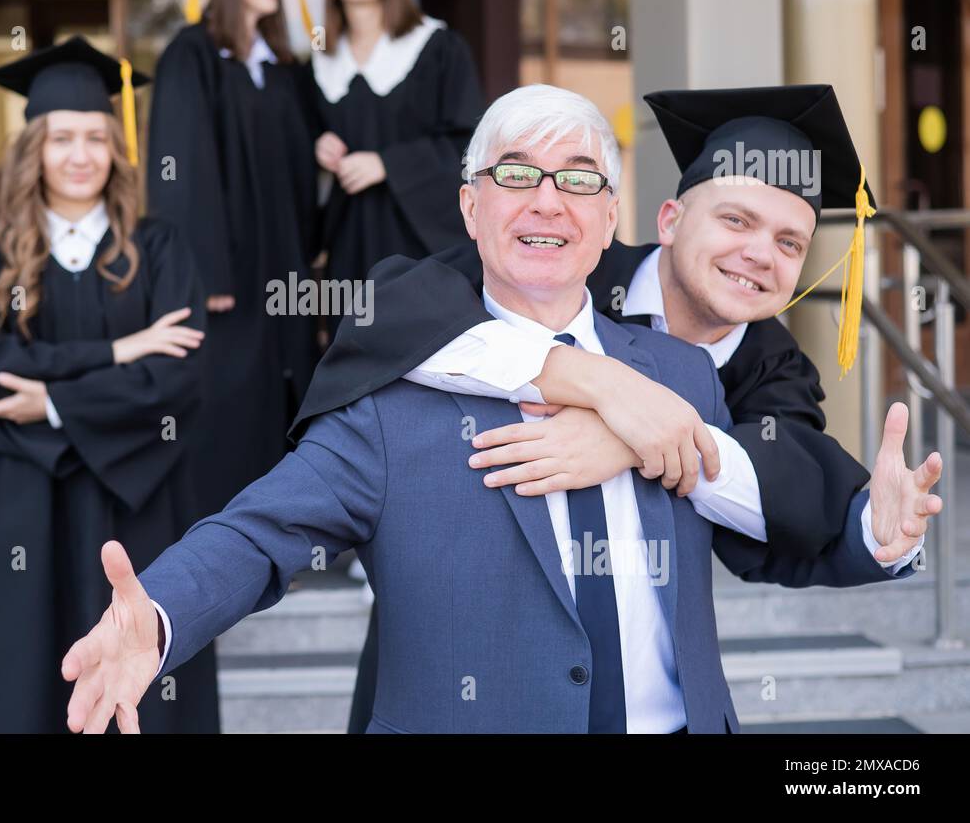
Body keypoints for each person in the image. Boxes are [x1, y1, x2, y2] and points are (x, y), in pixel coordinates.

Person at [60, 85, 939, 734]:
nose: (549, 199)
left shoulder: (711, 374)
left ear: (610, 221)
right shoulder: (398, 380)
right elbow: (262, 532)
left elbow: (765, 517)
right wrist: (164, 614)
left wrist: (874, 530)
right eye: (518, 176)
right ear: (470, 210)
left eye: (579, 181)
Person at [297, 83, 915, 732]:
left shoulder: (772, 366)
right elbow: (394, 318)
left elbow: (782, 504)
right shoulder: (568, 259)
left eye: (791, 242)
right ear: (669, 220)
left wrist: (643, 439)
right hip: (460, 662)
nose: (759, 254)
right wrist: (595, 383)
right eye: (735, 220)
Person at [0, 36, 219, 733]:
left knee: (148, 688)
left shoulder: (159, 249)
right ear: (33, 149)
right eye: (62, 137)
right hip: (25, 503)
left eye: (97, 138)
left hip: (142, 497)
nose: (80, 154)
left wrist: (54, 402)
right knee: (32, 679)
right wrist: (120, 350)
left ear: (116, 149)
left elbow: (178, 378)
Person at [146, 0, 319, 520]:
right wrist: (205, 272)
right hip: (227, 274)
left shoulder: (278, 69)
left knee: (284, 391)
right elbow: (180, 168)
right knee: (229, 399)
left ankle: (283, 533)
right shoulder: (190, 57)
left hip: (283, 267)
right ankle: (221, 539)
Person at [300, 0, 484, 310]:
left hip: (422, 245)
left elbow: (471, 146)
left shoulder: (438, 48)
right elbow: (303, 137)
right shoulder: (318, 64)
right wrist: (318, 146)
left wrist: (388, 164)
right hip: (350, 244)